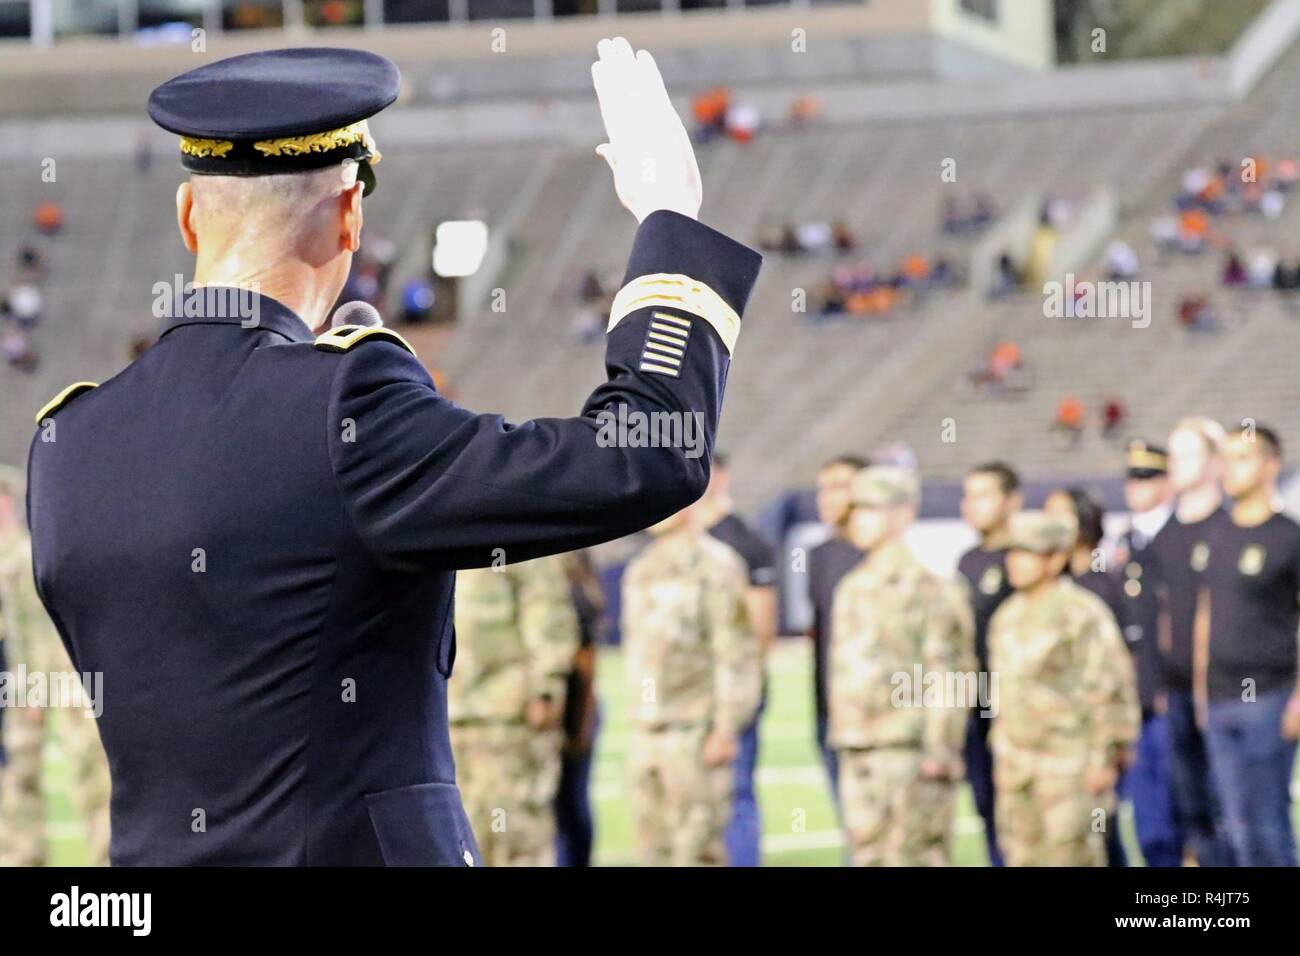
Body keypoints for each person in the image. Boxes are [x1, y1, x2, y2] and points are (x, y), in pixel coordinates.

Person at [25, 40, 762, 866]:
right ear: (349, 217)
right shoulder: (345, 403)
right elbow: (647, 453)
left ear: (189, 217)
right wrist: (671, 224)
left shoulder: (66, 441)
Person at [829, 466, 974, 866]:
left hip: (909, 752)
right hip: (860, 749)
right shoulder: (853, 586)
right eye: (856, 508)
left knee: (916, 857)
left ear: (901, 513)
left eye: (870, 508)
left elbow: (949, 674)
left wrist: (940, 749)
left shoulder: (929, 586)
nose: (859, 519)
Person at [989, 511, 1140, 867]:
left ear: (1055, 558)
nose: (1015, 562)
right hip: (1016, 769)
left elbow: (1110, 687)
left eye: (1027, 553)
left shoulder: (1081, 612)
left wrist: (1104, 758)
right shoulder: (1006, 616)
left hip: (1069, 767)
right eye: (1013, 552)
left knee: (1074, 857)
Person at [622, 504, 761, 866]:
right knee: (652, 850)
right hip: (646, 730)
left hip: (694, 731)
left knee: (698, 850)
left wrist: (726, 728)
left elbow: (735, 653)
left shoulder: (716, 565)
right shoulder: (641, 568)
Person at [1199, 425, 1300, 865]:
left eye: (1241, 458)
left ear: (1269, 466)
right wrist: (1203, 689)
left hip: (1270, 695)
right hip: (1220, 697)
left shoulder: (1288, 536)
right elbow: (1207, 613)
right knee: (1236, 830)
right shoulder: (1218, 531)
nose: (1228, 469)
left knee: (1270, 827)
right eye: (1224, 459)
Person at [0, 466, 111, 867]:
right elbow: (17, 633)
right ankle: (20, 854)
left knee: (91, 773)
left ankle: (103, 859)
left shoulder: (24, 555)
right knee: (21, 774)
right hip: (34, 677)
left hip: (66, 675)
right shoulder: (17, 559)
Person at [448, 555, 579, 866]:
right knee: (463, 836)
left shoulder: (520, 536)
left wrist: (545, 690)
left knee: (519, 835)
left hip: (510, 718)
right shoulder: (447, 535)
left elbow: (550, 616)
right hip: (456, 716)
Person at [1150, 417, 1234, 866]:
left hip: (1224, 693)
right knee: (1191, 811)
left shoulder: (1228, 529)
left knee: (1236, 814)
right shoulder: (1164, 537)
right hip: (1177, 693)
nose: (1175, 463)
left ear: (1214, 462)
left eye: (1187, 453)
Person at [696, 452, 778, 867]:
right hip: (686, 695)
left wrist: (740, 692)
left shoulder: (746, 540)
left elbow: (761, 630)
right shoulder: (681, 539)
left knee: (736, 791)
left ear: (722, 476)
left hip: (731, 690)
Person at [1044, 485, 1130, 866]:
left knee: (1101, 832)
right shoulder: (1048, 588)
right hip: (1055, 733)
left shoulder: (1104, 584)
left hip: (1093, 730)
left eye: (1061, 514)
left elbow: (1119, 670)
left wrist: (1115, 738)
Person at [1113, 440, 1185, 867]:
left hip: (1172, 687)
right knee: (1148, 815)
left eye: (1146, 478)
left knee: (1188, 806)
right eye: (1132, 478)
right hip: (1137, 695)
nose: (1135, 487)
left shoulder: (1177, 536)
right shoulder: (1127, 539)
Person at [956, 462, 1021, 867]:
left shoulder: (1023, 560)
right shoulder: (967, 562)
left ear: (1011, 501)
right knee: (986, 805)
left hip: (1016, 706)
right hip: (976, 704)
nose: (972, 505)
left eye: (984, 494)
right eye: (968, 495)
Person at [805, 454, 868, 795]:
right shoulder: (819, 556)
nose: (827, 497)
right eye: (823, 489)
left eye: (839, 487)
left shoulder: (879, 557)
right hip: (828, 710)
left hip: (873, 717)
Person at [555, 549, 604, 867]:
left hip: (573, 708)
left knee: (571, 806)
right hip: (543, 709)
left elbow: (586, 659)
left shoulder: (574, 587)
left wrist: (579, 725)